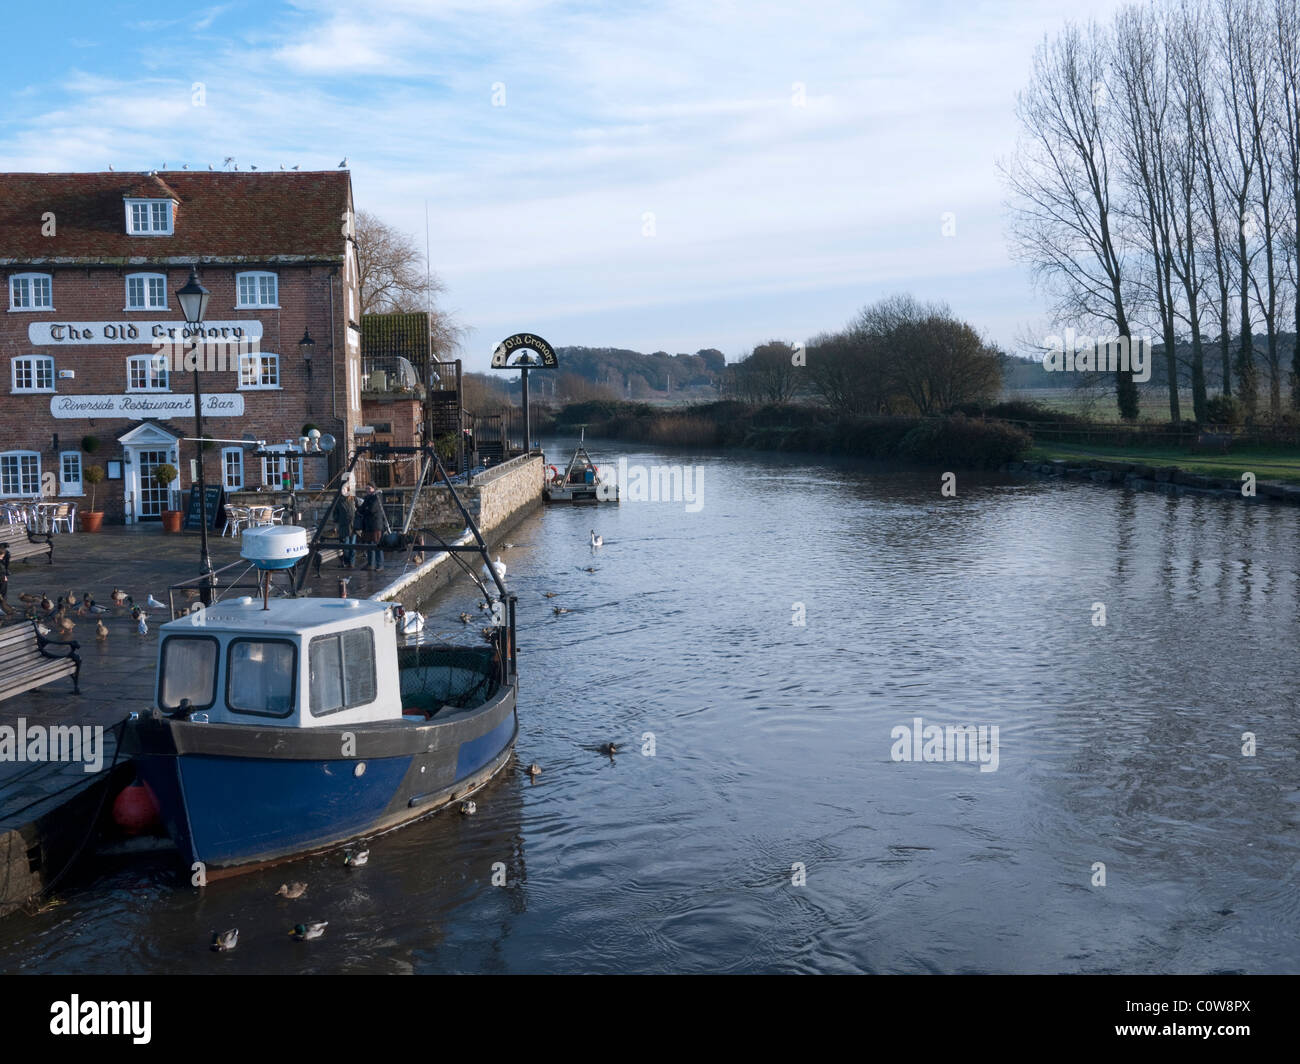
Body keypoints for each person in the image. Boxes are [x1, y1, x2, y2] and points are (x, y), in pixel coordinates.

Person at [357, 485, 387, 571]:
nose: (367, 490)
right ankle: (370, 564)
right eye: (366, 488)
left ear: (374, 489)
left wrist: (365, 508)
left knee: (377, 545)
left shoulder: (377, 497)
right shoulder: (367, 498)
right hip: (368, 525)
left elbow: (372, 509)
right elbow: (361, 509)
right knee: (369, 545)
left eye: (369, 488)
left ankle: (380, 564)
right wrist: (364, 508)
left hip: (376, 525)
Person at [333, 486, 356, 569]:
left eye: (344, 489)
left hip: (353, 526)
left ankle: (352, 563)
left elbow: (360, 507)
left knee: (352, 546)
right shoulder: (338, 501)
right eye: (342, 489)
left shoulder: (353, 499)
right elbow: (335, 513)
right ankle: (346, 562)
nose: (343, 490)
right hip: (343, 525)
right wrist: (336, 524)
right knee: (345, 546)